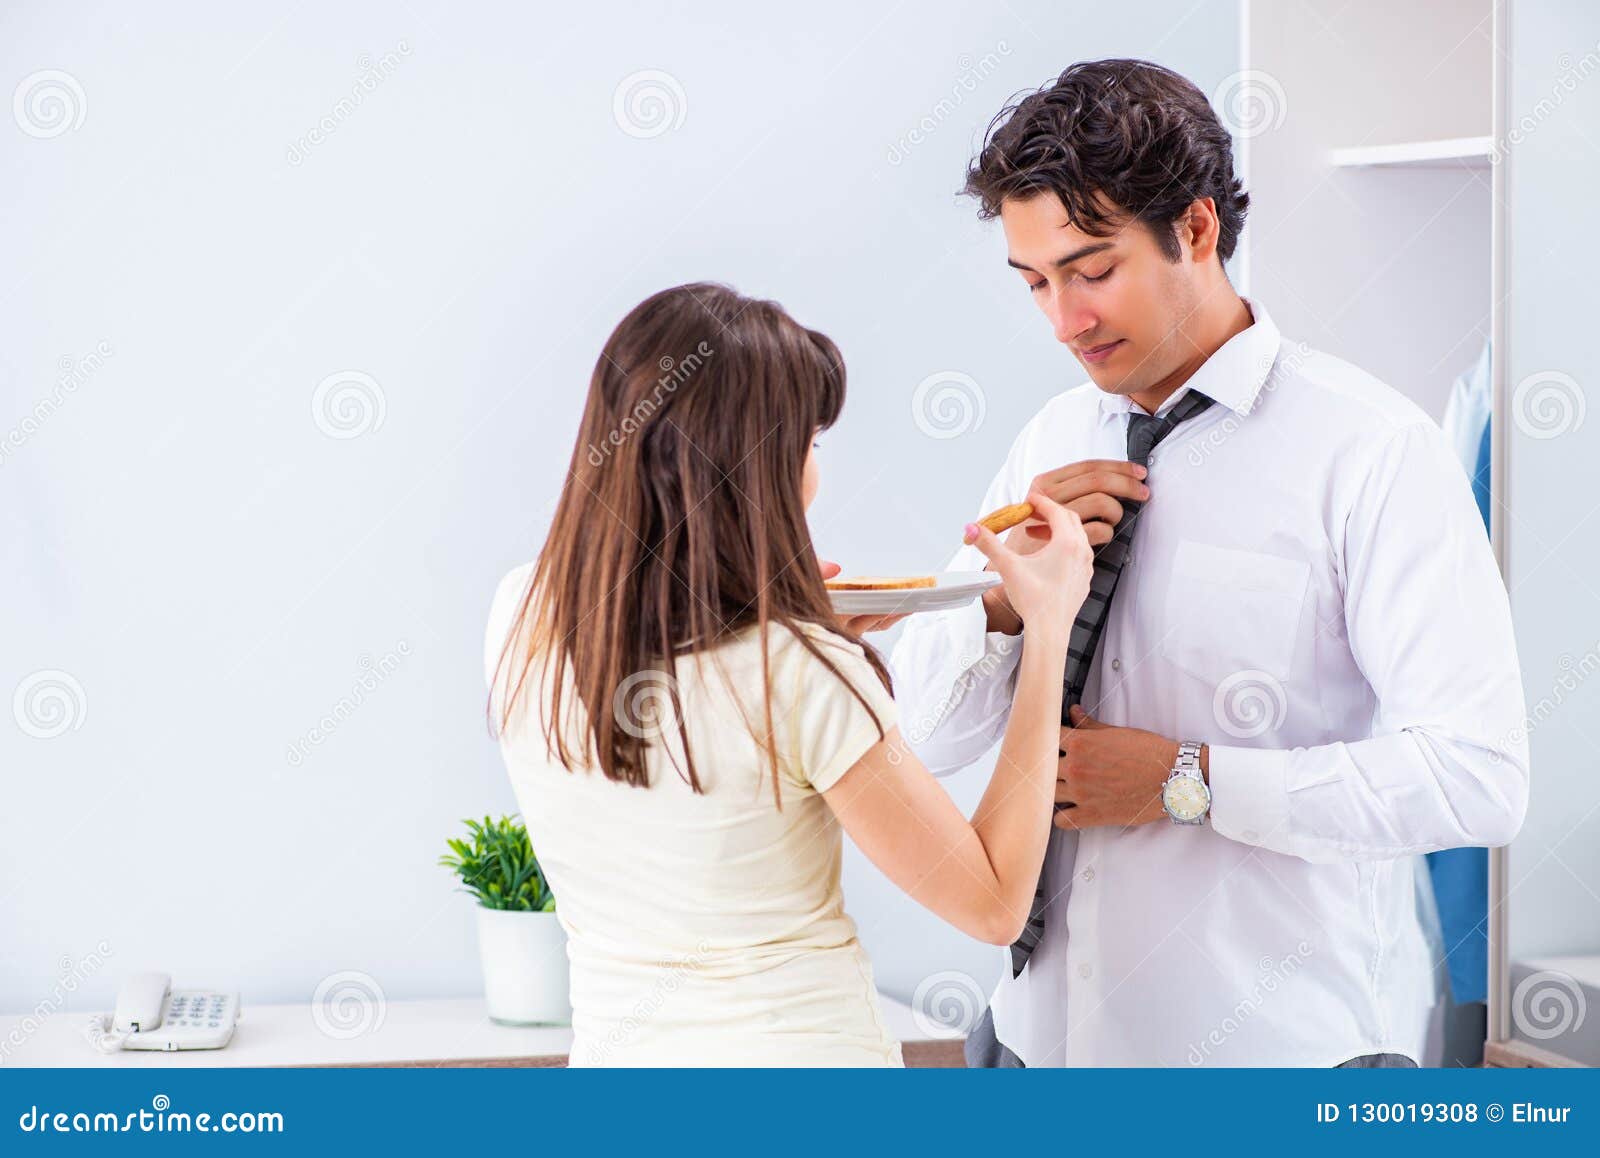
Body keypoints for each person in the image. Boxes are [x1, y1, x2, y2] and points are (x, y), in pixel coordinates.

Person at [889, 58, 1530, 1067]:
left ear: (1194, 229)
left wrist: (1184, 781)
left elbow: (1478, 777)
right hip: (1028, 1048)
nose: (1064, 321)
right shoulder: (1050, 436)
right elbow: (920, 740)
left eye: (1091, 271)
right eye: (1036, 283)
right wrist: (1002, 610)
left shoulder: (1370, 451)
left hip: (1274, 1067)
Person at [484, 281, 1093, 1066]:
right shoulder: (805, 675)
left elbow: (684, 686)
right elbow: (994, 901)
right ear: (763, 467)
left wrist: (786, 628)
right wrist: (1047, 626)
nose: (813, 474)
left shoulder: (520, 611)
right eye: (809, 444)